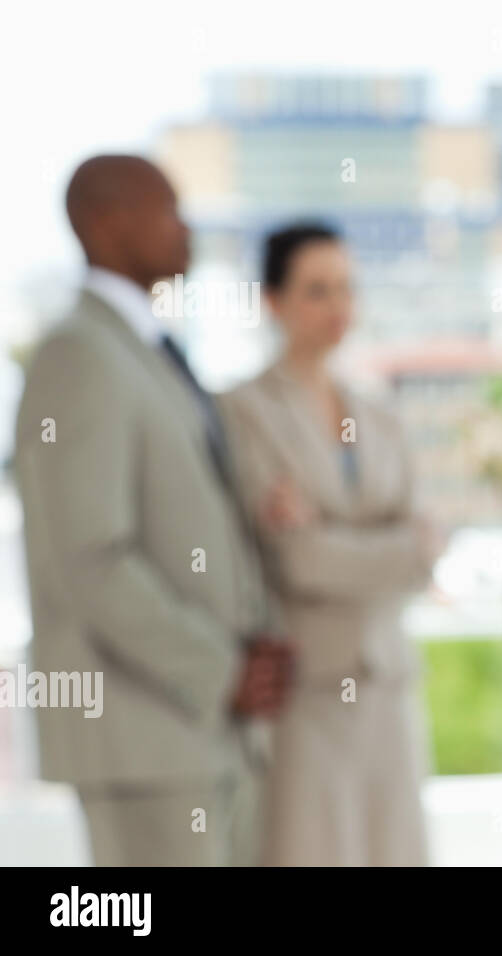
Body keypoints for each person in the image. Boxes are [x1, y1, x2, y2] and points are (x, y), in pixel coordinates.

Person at [13, 155, 290, 866]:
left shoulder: (144, 348)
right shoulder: (77, 355)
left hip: (197, 735)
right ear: (104, 222)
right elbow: (91, 558)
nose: (185, 230)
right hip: (142, 739)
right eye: (168, 211)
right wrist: (219, 666)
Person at [217, 223, 439, 866]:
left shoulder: (379, 413)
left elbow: (423, 553)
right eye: (317, 290)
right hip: (305, 696)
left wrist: (336, 536)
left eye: (346, 287)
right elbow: (298, 561)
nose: (338, 305)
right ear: (274, 301)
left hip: (389, 687)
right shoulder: (242, 410)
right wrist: (394, 547)